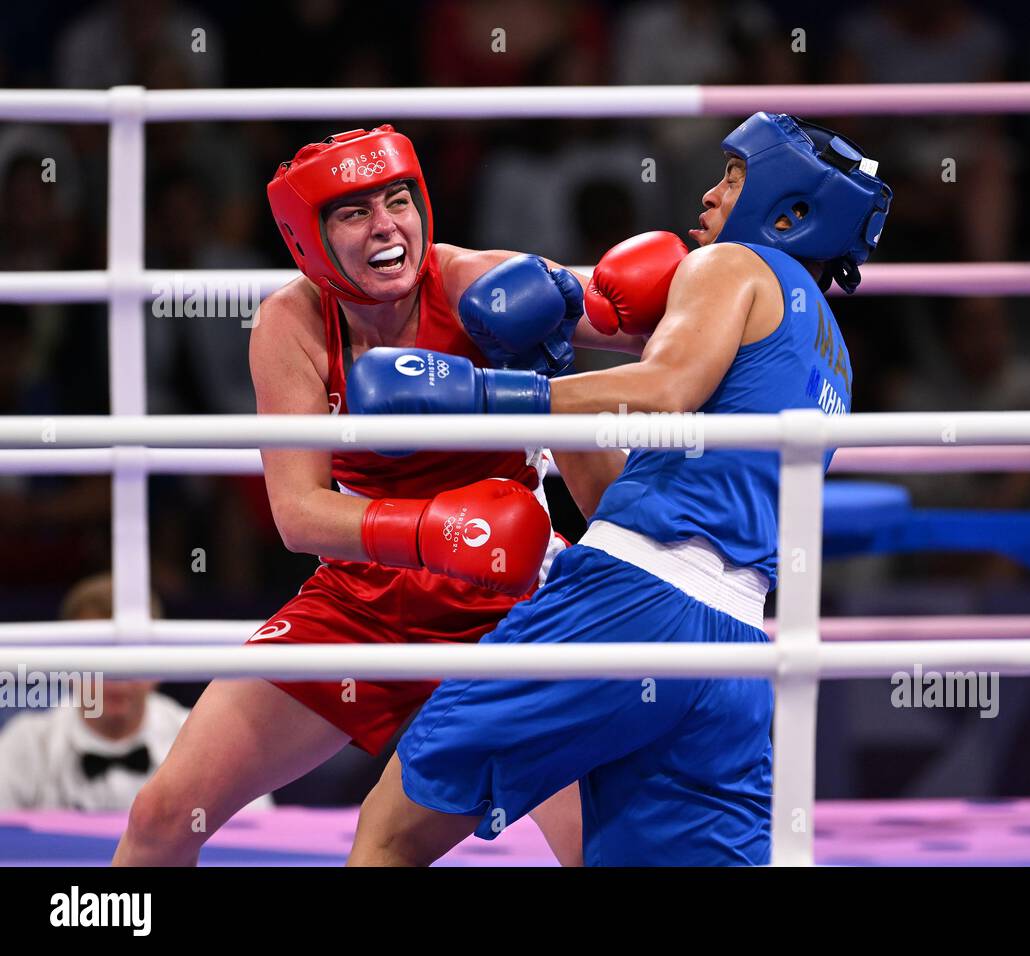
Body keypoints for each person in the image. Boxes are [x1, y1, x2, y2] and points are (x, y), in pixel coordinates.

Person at [343, 112, 892, 865]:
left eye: (732, 177)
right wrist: (548, 371)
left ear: (790, 209)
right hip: (731, 653)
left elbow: (663, 390)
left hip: (623, 611)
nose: (707, 195)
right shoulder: (832, 361)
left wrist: (479, 394)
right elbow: (621, 510)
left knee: (390, 832)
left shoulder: (733, 267)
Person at [113, 125, 640, 866]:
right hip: (364, 600)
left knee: (607, 851)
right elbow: (298, 514)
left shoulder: (485, 285)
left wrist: (734, 275)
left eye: (398, 200)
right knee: (163, 816)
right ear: (309, 240)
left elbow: (658, 339)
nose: (388, 226)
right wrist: (437, 531)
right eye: (355, 212)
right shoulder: (290, 324)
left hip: (514, 600)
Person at [0, 574, 272, 813]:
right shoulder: (25, 745)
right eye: (97, 655)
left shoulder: (207, 738)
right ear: (65, 664)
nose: (118, 674)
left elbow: (256, 841)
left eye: (130, 655)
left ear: (158, 661)